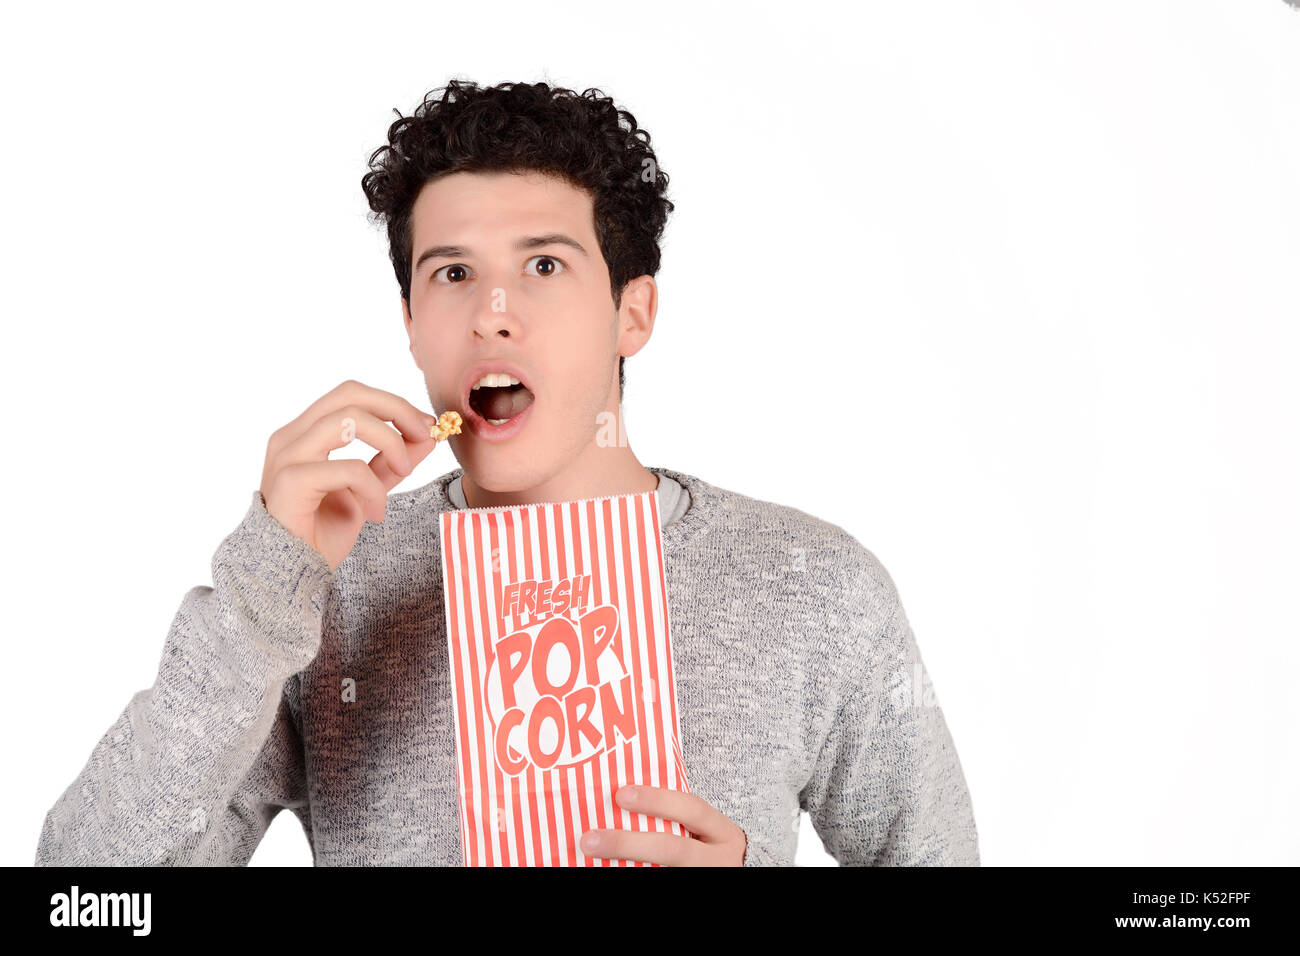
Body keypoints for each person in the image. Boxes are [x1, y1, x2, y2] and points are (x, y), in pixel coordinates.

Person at [35, 79, 979, 866]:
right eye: (451, 274)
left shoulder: (815, 585)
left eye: (543, 265)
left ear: (633, 315)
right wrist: (262, 594)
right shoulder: (332, 592)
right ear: (410, 321)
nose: (492, 313)